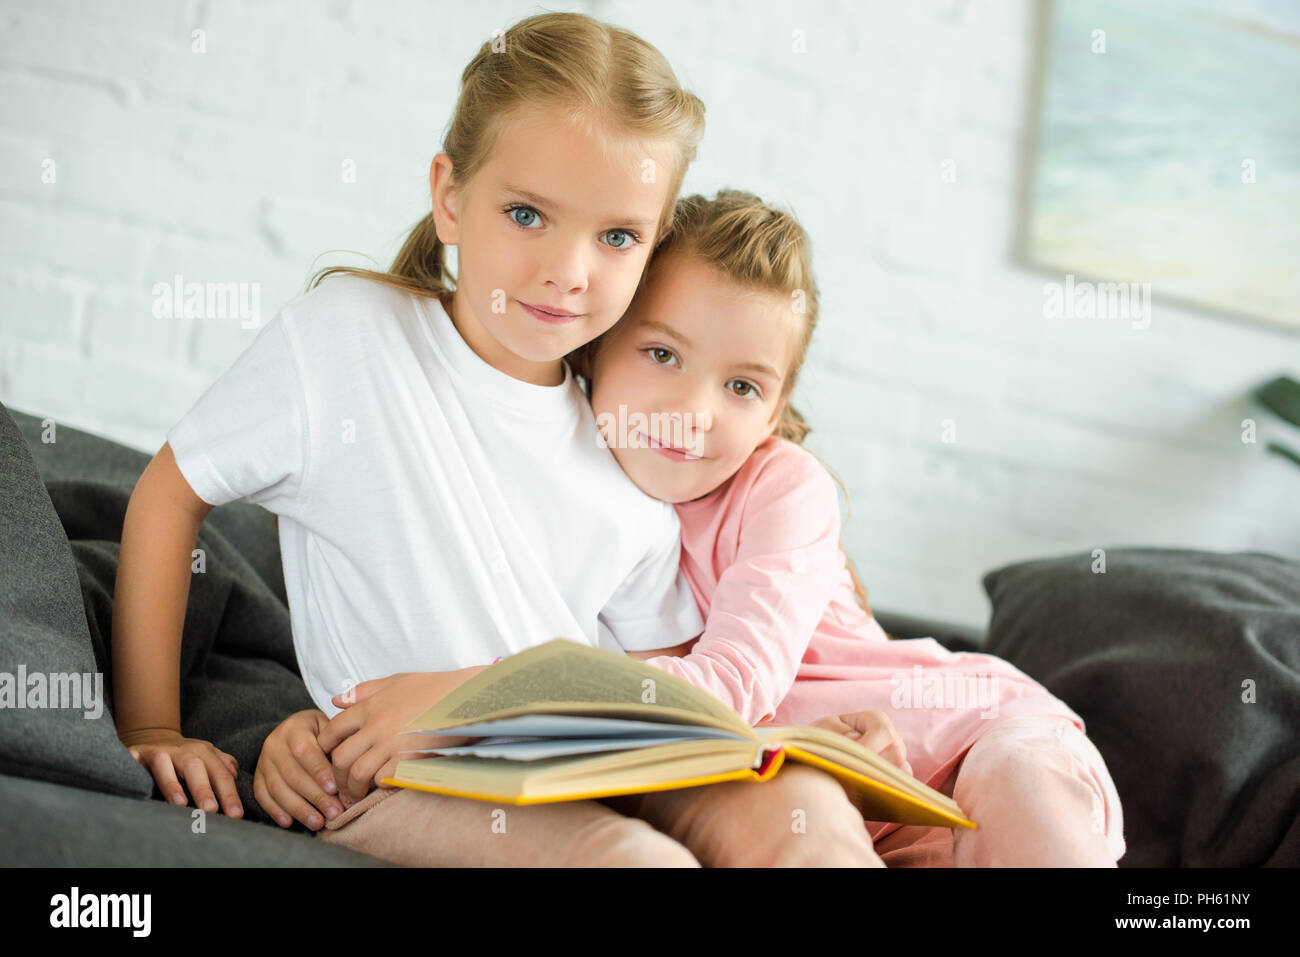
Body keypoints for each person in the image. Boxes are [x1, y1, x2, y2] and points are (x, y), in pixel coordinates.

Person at [115, 12, 884, 868]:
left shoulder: (623, 438)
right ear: (450, 196)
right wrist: (153, 726)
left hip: (594, 760)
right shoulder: (349, 340)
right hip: (408, 780)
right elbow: (170, 491)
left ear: (650, 247)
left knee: (801, 806)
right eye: (527, 213)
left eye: (618, 236)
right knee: (632, 860)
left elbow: (665, 679)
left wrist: (800, 739)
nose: (570, 270)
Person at [573, 190, 1128, 867]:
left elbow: (735, 679)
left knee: (1013, 778)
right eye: (662, 353)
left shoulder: (785, 486)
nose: (695, 410)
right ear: (597, 346)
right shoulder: (581, 494)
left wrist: (552, 703)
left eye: (742, 387)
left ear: (775, 413)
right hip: (869, 813)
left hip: (980, 734)